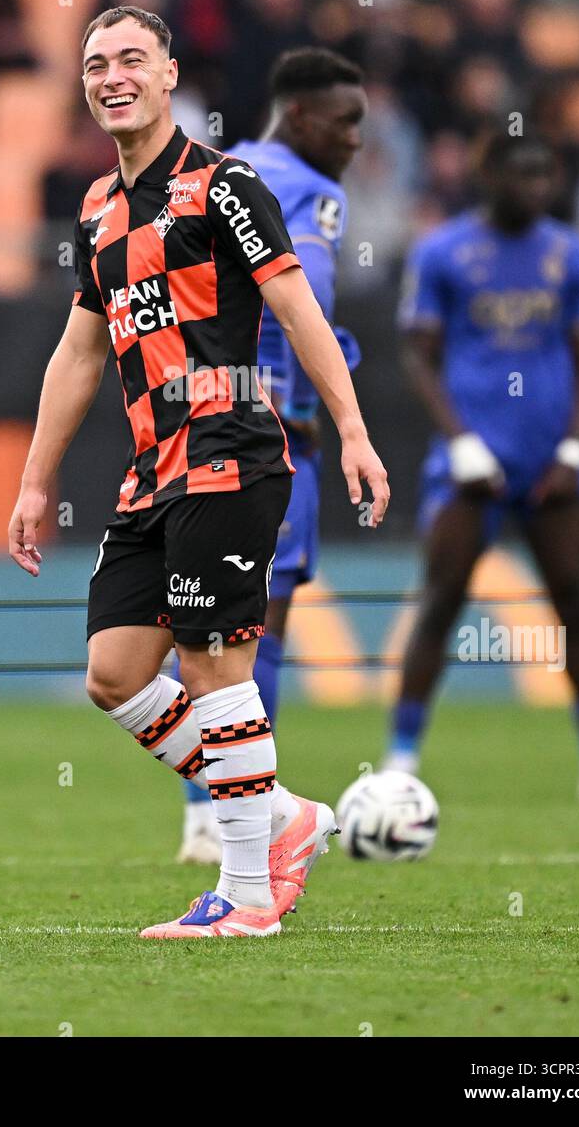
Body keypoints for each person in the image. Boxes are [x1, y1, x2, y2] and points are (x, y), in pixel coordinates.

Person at [8, 6, 390, 937]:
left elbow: (296, 309)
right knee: (113, 674)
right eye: (96, 63)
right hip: (150, 469)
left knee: (212, 664)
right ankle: (283, 814)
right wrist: (33, 478)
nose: (112, 76)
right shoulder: (97, 207)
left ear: (171, 74)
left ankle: (248, 896)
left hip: (229, 452)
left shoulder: (226, 186)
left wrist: (350, 429)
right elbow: (77, 353)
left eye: (132, 58)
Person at [389, 128, 579, 800]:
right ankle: (400, 758)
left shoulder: (567, 252)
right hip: (471, 461)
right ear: (489, 177)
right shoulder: (442, 250)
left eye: (544, 176)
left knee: (575, 604)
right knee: (440, 602)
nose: (535, 187)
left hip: (551, 459)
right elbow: (417, 352)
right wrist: (459, 442)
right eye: (522, 175)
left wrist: (573, 446)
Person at [176, 46, 368, 863]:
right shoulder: (289, 187)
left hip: (211, 423)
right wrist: (289, 399)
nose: (358, 138)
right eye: (346, 120)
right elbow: (286, 304)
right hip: (262, 439)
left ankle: (211, 814)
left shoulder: (224, 173)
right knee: (253, 624)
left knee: (202, 624)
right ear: (298, 115)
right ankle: (239, 817)